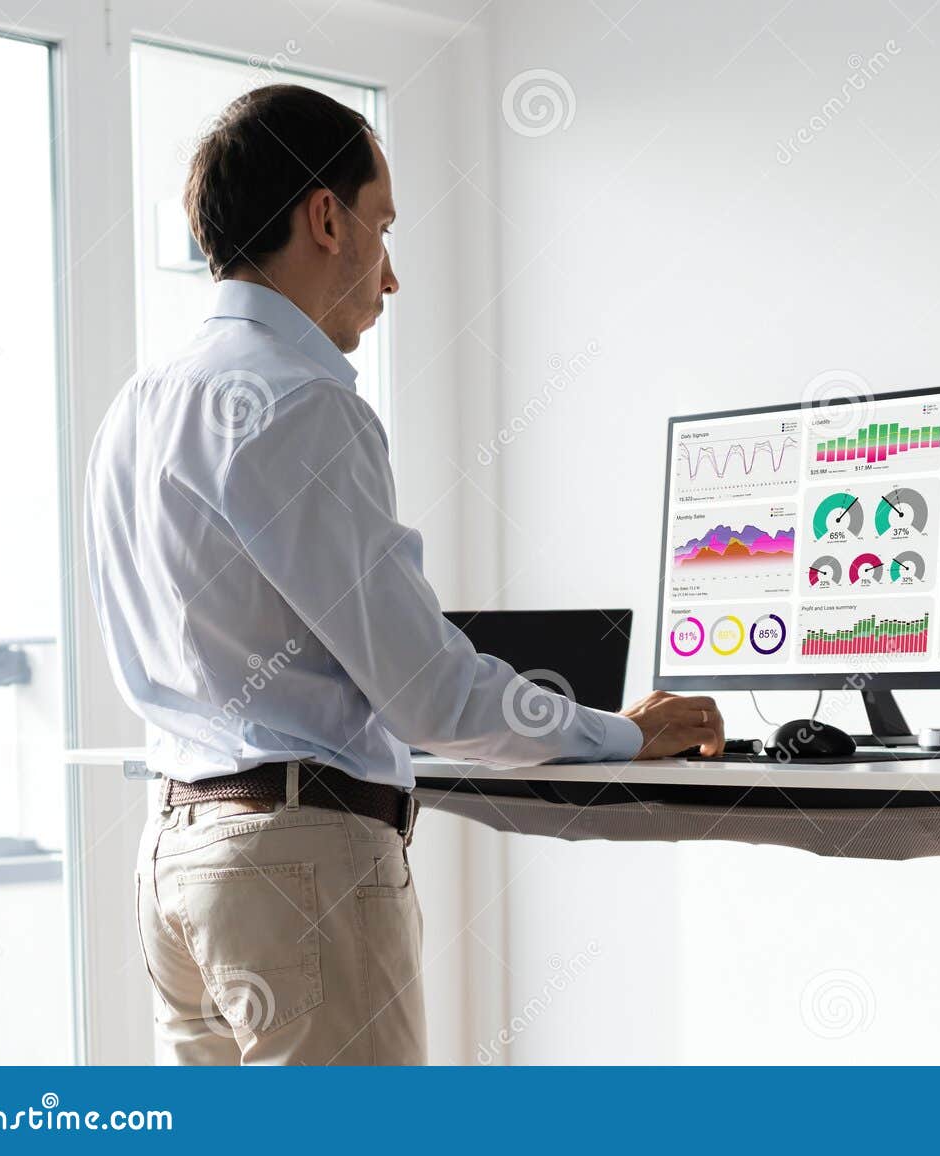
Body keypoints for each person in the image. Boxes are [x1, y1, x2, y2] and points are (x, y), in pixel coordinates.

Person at [83, 84, 724, 1065]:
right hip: (297, 866)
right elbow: (427, 692)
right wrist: (617, 735)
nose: (391, 278)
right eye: (381, 227)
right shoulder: (298, 401)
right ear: (325, 218)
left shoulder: (140, 402)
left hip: (180, 861)